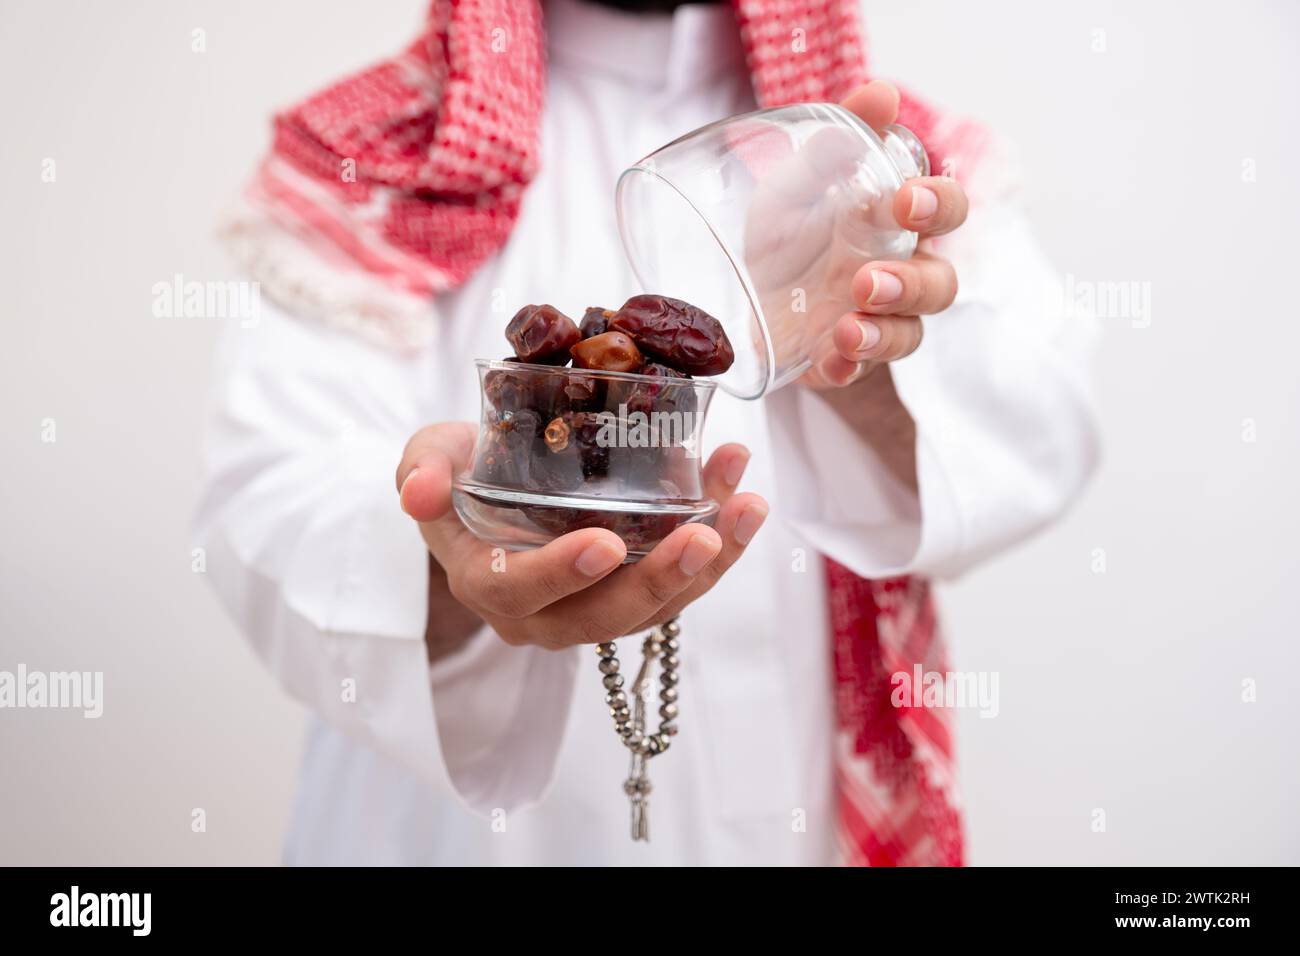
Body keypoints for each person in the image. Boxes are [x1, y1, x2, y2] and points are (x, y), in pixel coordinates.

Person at [196, 0, 1098, 865]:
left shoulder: (894, 175)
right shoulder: (369, 155)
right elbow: (262, 501)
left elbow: (1042, 439)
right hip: (450, 839)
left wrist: (846, 361)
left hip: (789, 808)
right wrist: (445, 561)